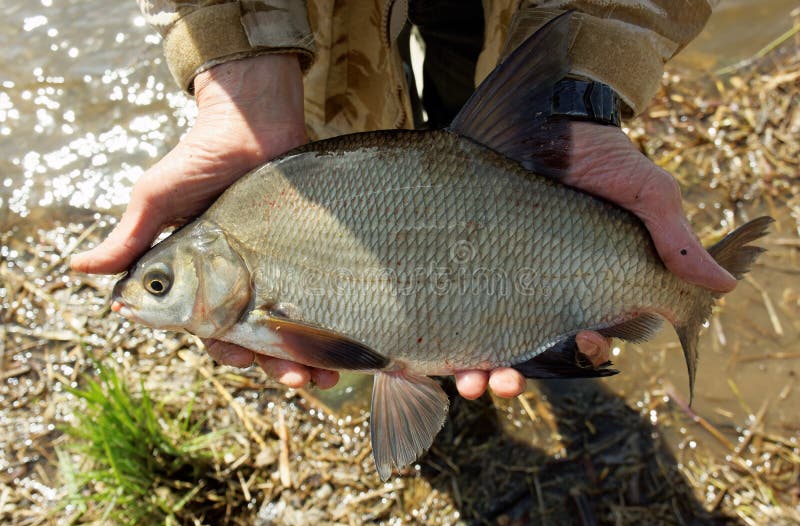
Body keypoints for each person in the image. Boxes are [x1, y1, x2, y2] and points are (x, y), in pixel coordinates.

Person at [71, 0, 734, 400]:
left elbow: (345, 351)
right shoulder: (243, 217)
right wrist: (239, 62)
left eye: (160, 282)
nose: (145, 297)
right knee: (355, 109)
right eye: (160, 283)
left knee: (469, 64)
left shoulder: (248, 262)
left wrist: (577, 88)